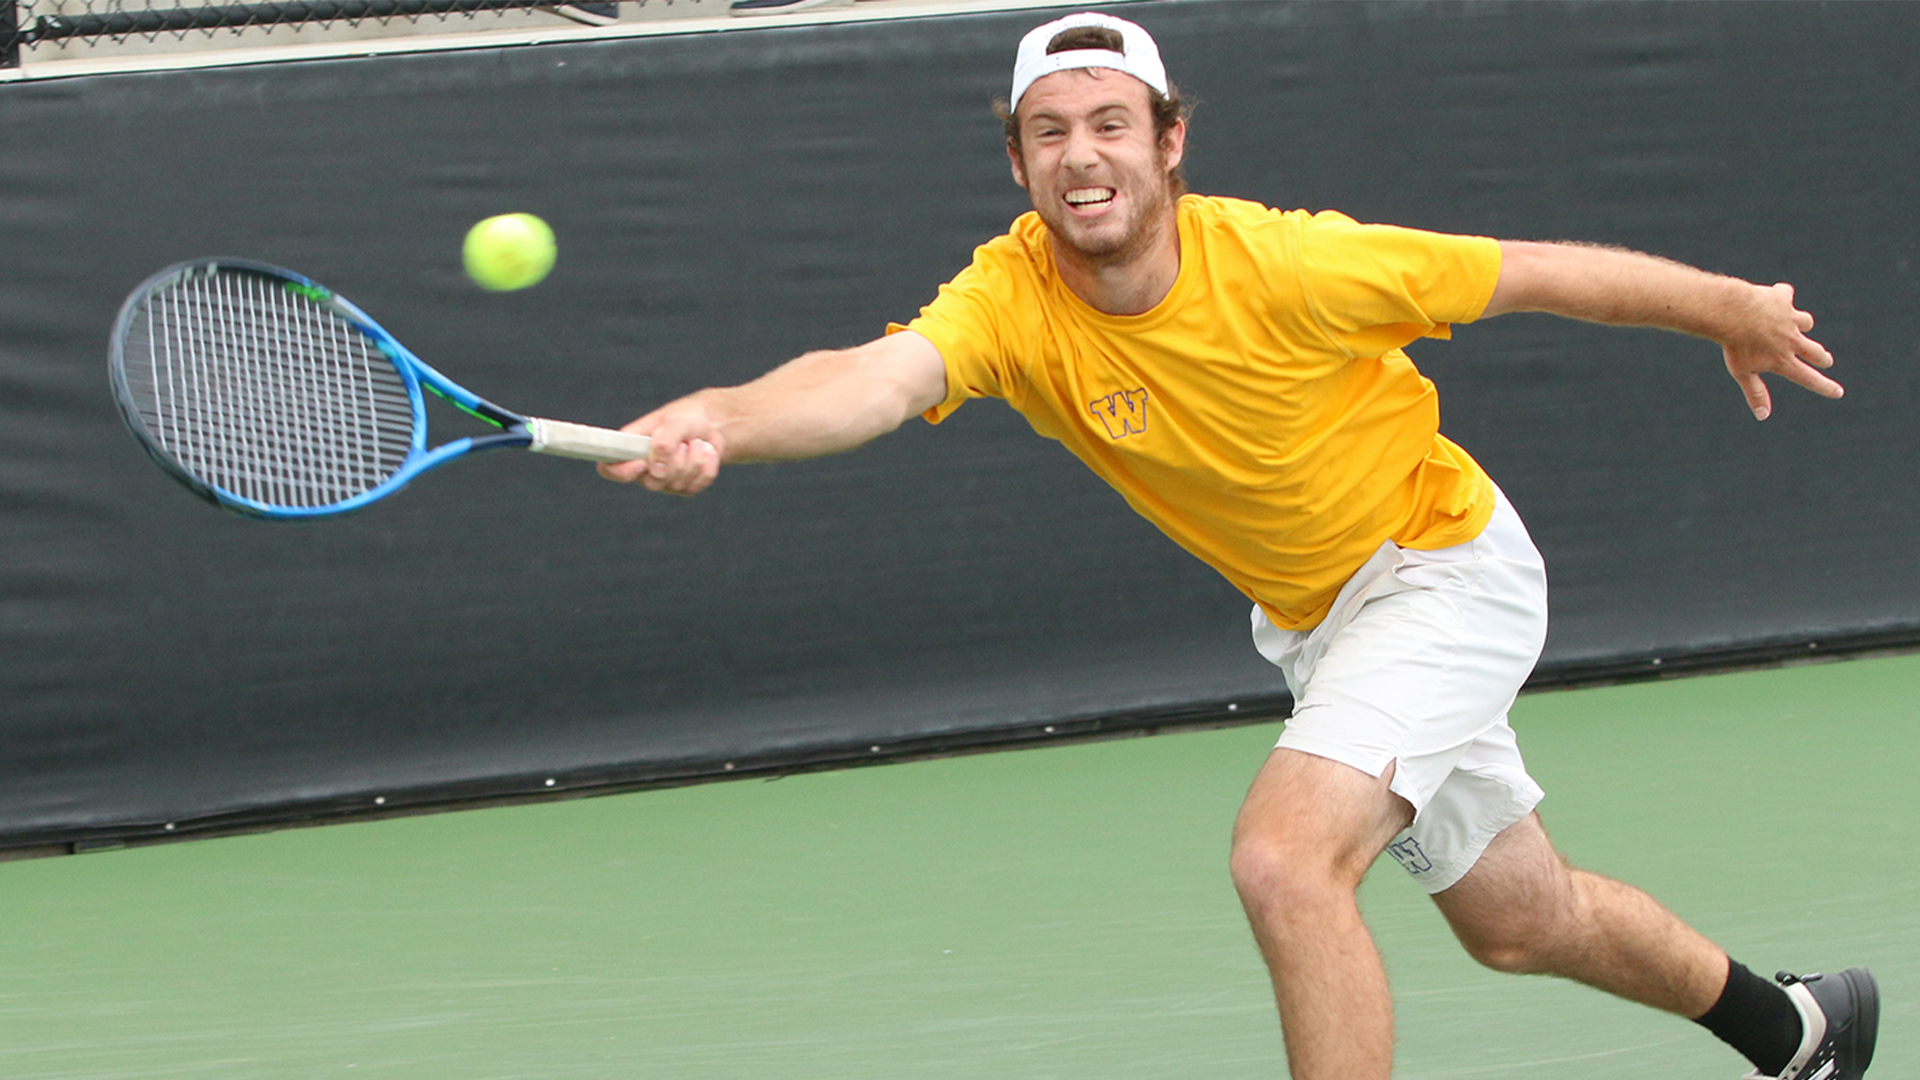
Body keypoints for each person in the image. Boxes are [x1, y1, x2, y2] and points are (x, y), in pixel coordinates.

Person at [597, 12, 1875, 1079]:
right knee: (1519, 921)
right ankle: (1797, 1032)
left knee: (1285, 863)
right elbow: (873, 379)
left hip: (1441, 568)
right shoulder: (1009, 295)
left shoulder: (1290, 263)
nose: (1081, 156)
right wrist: (724, 419)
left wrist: (1733, 308)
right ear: (1018, 160)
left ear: (1170, 143)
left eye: (1111, 125)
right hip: (1326, 623)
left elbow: (1532, 271)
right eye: (1050, 130)